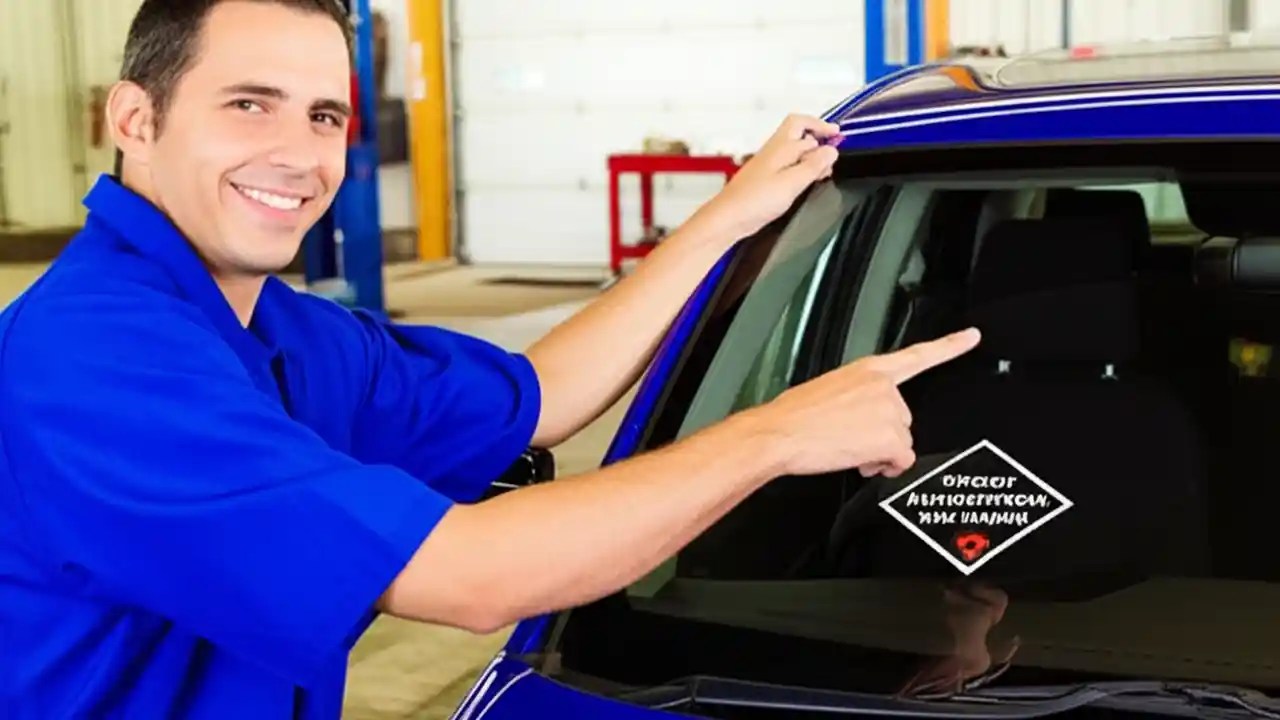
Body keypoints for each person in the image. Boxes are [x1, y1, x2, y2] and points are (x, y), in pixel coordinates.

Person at [0, 0, 980, 717]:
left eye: (324, 115)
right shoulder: (95, 359)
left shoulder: (282, 331)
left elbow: (542, 396)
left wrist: (725, 219)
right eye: (248, 106)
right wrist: (773, 433)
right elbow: (471, 577)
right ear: (134, 119)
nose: (299, 155)